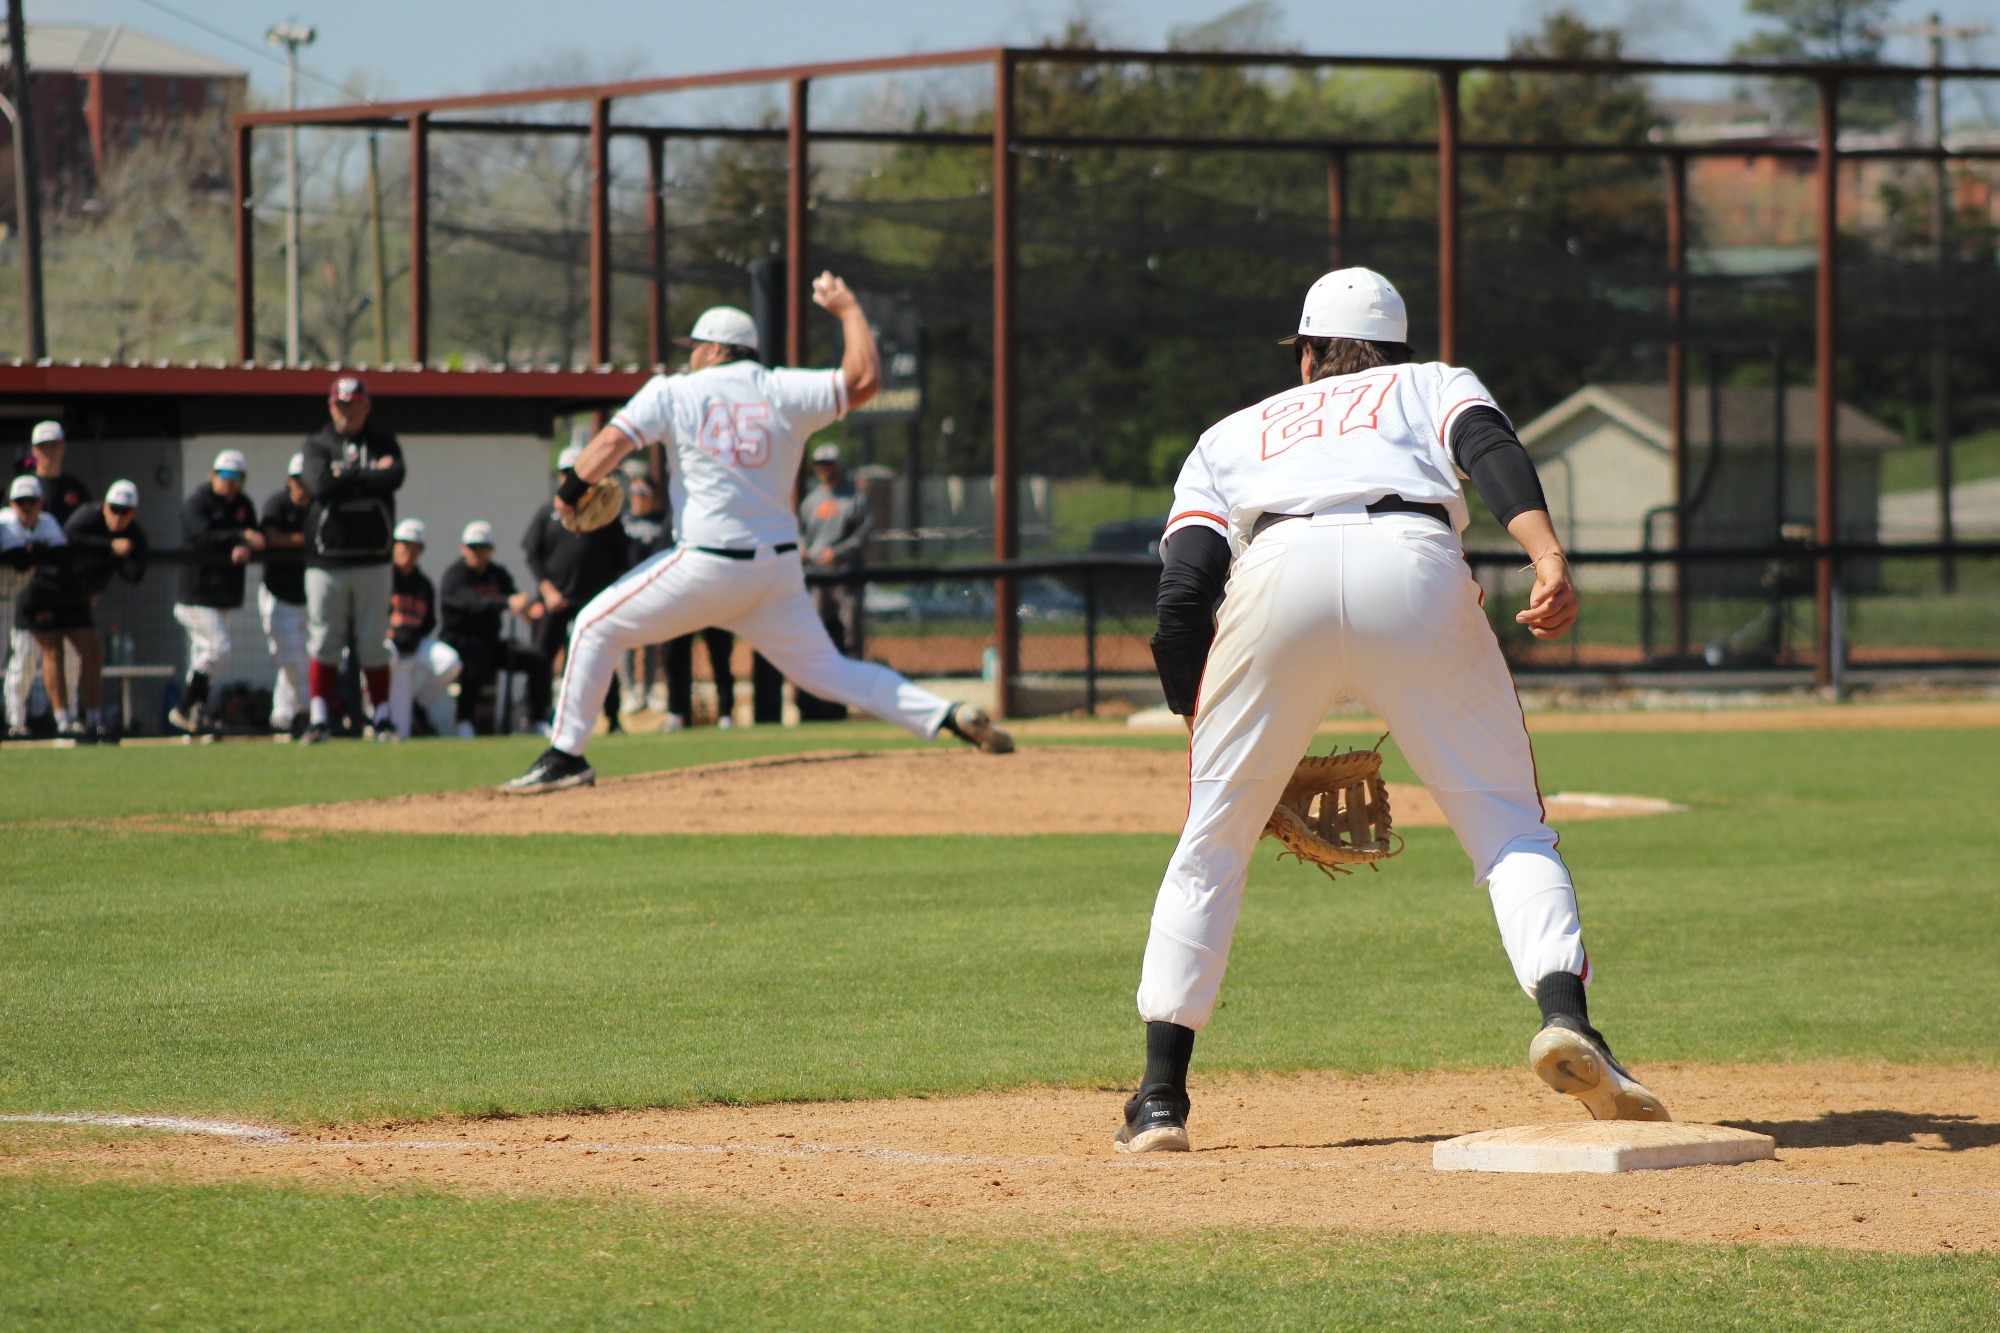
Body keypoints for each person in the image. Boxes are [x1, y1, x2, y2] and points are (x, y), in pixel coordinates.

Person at [1114, 267, 1668, 1156]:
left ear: (1304, 358)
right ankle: (1568, 1021)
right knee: (1509, 829)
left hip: (1274, 577)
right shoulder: (1430, 383)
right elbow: (1487, 445)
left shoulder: (1229, 433)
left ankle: (1159, 1098)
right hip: (1413, 566)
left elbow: (1183, 594)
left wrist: (1201, 721)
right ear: (1394, 352)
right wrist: (1546, 555)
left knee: (1211, 843)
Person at [503, 280, 1012, 794]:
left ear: (717, 348)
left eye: (697, 346)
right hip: (777, 571)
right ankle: (948, 715)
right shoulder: (781, 388)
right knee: (830, 672)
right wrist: (851, 310)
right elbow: (864, 380)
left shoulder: (674, 391)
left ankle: (566, 756)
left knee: (592, 625)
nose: (693, 355)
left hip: (707, 562)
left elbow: (611, 441)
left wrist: (568, 493)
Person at [299, 375, 406, 744]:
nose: (348, 411)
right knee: (325, 641)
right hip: (326, 562)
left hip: (375, 560)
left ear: (367, 405)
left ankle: (383, 718)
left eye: (354, 403)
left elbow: (394, 476)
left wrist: (346, 474)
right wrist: (367, 474)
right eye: (341, 405)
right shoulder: (317, 444)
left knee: (374, 642)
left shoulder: (383, 440)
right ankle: (319, 719)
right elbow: (319, 485)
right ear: (331, 406)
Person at [521, 443, 628, 728]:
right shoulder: (548, 513)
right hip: (555, 598)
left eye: (575, 473)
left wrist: (610, 594)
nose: (569, 479)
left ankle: (612, 718)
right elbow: (532, 553)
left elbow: (621, 557)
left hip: (592, 599)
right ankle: (537, 716)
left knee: (599, 656)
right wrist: (546, 590)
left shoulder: (604, 512)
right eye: (565, 473)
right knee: (541, 658)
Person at [34, 479, 148, 743]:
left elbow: (134, 573)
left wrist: (125, 552)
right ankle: (62, 721)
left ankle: (93, 720)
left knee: (92, 652)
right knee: (50, 653)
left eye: (126, 512)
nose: (118, 517)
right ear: (105, 506)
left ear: (135, 513)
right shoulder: (87, 515)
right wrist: (110, 547)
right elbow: (68, 538)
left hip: (78, 598)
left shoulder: (134, 534)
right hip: (50, 589)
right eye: (114, 509)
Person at [627, 466, 736, 731]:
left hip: (713, 596)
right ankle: (677, 712)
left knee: (720, 656)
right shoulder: (674, 518)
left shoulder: (718, 515)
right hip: (683, 597)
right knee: (675, 657)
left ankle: (726, 714)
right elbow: (662, 555)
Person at [168, 450, 264, 735]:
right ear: (212, 476)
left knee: (204, 655)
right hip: (196, 595)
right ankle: (184, 706)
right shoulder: (198, 502)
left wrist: (246, 543)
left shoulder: (243, 504)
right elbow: (201, 535)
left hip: (224, 594)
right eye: (224, 476)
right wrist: (239, 536)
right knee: (218, 648)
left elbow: (253, 534)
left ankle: (195, 715)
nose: (230, 483)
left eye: (236, 478)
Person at [5, 420, 90, 729]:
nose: (49, 451)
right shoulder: (21, 487)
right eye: (43, 446)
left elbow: (72, 548)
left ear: (63, 447)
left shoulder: (75, 490)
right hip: (26, 588)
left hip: (66, 588)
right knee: (25, 658)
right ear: (34, 451)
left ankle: (68, 719)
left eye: (54, 444)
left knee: (70, 658)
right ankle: (17, 720)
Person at [440, 520, 549, 736]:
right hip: (459, 641)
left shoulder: (497, 573)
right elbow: (474, 603)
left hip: (491, 641)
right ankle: (465, 721)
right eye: (473, 548)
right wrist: (508, 602)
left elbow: (514, 596)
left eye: (483, 548)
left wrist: (526, 608)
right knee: (476, 658)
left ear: (492, 550)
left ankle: (538, 720)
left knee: (536, 658)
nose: (478, 554)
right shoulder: (455, 576)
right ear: (464, 549)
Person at [1, 476, 70, 739]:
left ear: (41, 502)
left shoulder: (47, 522)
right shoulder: (5, 522)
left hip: (16, 601)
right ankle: (14, 720)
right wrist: (37, 551)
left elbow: (63, 556)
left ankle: (18, 722)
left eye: (31, 501)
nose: (26, 507)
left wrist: (33, 550)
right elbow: (18, 559)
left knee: (26, 660)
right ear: (11, 504)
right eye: (21, 502)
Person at [383, 518, 463, 740]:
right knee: (387, 657)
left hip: (414, 641)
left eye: (415, 547)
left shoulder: (423, 584)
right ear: (395, 546)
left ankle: (418, 704)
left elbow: (429, 622)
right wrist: (388, 630)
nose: (409, 551)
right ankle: (376, 716)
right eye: (405, 545)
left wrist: (414, 635)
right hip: (386, 642)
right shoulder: (383, 578)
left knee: (449, 662)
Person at [798, 441, 871, 658]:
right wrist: (801, 547)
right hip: (818, 577)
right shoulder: (811, 501)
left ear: (838, 466)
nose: (823, 469)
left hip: (846, 576)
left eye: (828, 464)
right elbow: (800, 532)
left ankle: (854, 682)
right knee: (817, 633)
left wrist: (837, 553)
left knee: (851, 634)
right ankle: (819, 686)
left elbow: (863, 535)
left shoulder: (855, 498)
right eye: (820, 464)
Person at [260, 452, 313, 737]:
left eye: (307, 480)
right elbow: (272, 536)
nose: (303, 485)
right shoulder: (277, 503)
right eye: (298, 480)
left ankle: (282, 716)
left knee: (300, 657)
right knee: (290, 658)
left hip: (307, 595)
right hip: (278, 593)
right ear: (289, 481)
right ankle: (307, 713)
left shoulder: (316, 507)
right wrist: (305, 541)